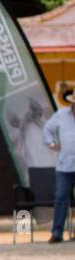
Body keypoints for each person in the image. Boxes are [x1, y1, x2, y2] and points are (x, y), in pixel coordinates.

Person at [42, 88, 75, 243]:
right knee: (61, 198)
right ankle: (57, 233)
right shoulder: (61, 115)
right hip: (64, 166)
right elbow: (47, 129)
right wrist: (52, 143)